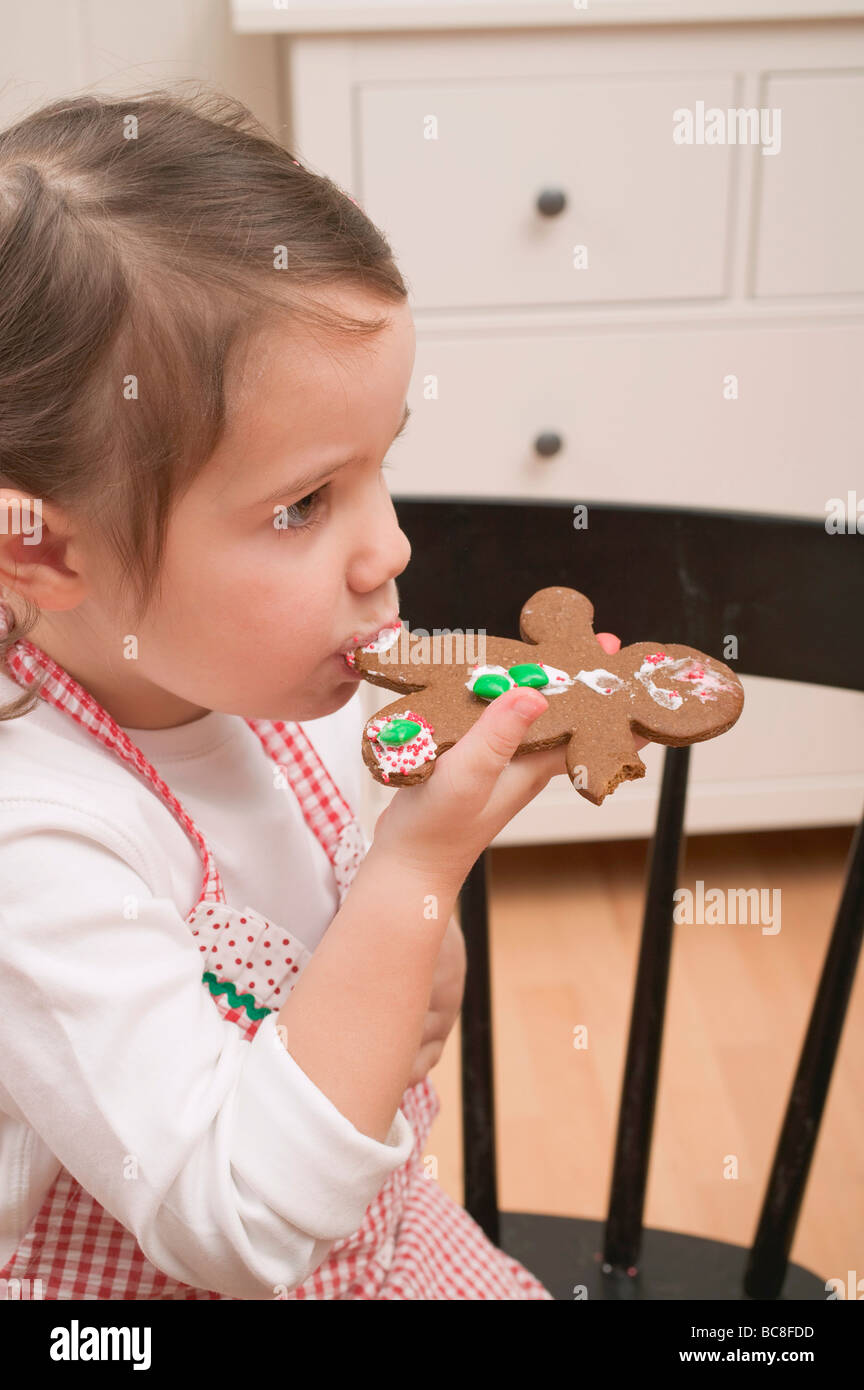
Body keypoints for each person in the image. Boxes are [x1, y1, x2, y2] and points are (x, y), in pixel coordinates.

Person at [0, 87, 645, 1300]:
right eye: (301, 505)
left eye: (381, 465)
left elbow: (372, 974)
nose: (389, 549)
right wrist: (415, 873)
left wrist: (420, 930)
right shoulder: (32, 839)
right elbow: (235, 1223)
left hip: (383, 1239)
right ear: (45, 553)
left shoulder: (279, 679)